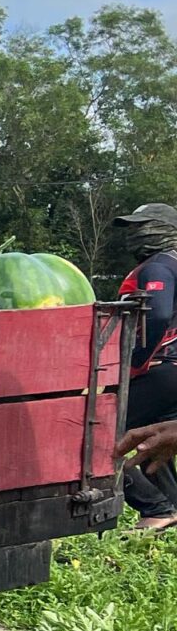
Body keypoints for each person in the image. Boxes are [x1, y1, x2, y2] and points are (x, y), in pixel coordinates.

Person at [114, 203, 177, 530]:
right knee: (157, 440)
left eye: (142, 227)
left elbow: (158, 314)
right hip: (172, 373)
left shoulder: (159, 267)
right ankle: (170, 511)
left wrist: (135, 363)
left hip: (162, 369)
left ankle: (154, 507)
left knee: (99, 437)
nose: (134, 235)